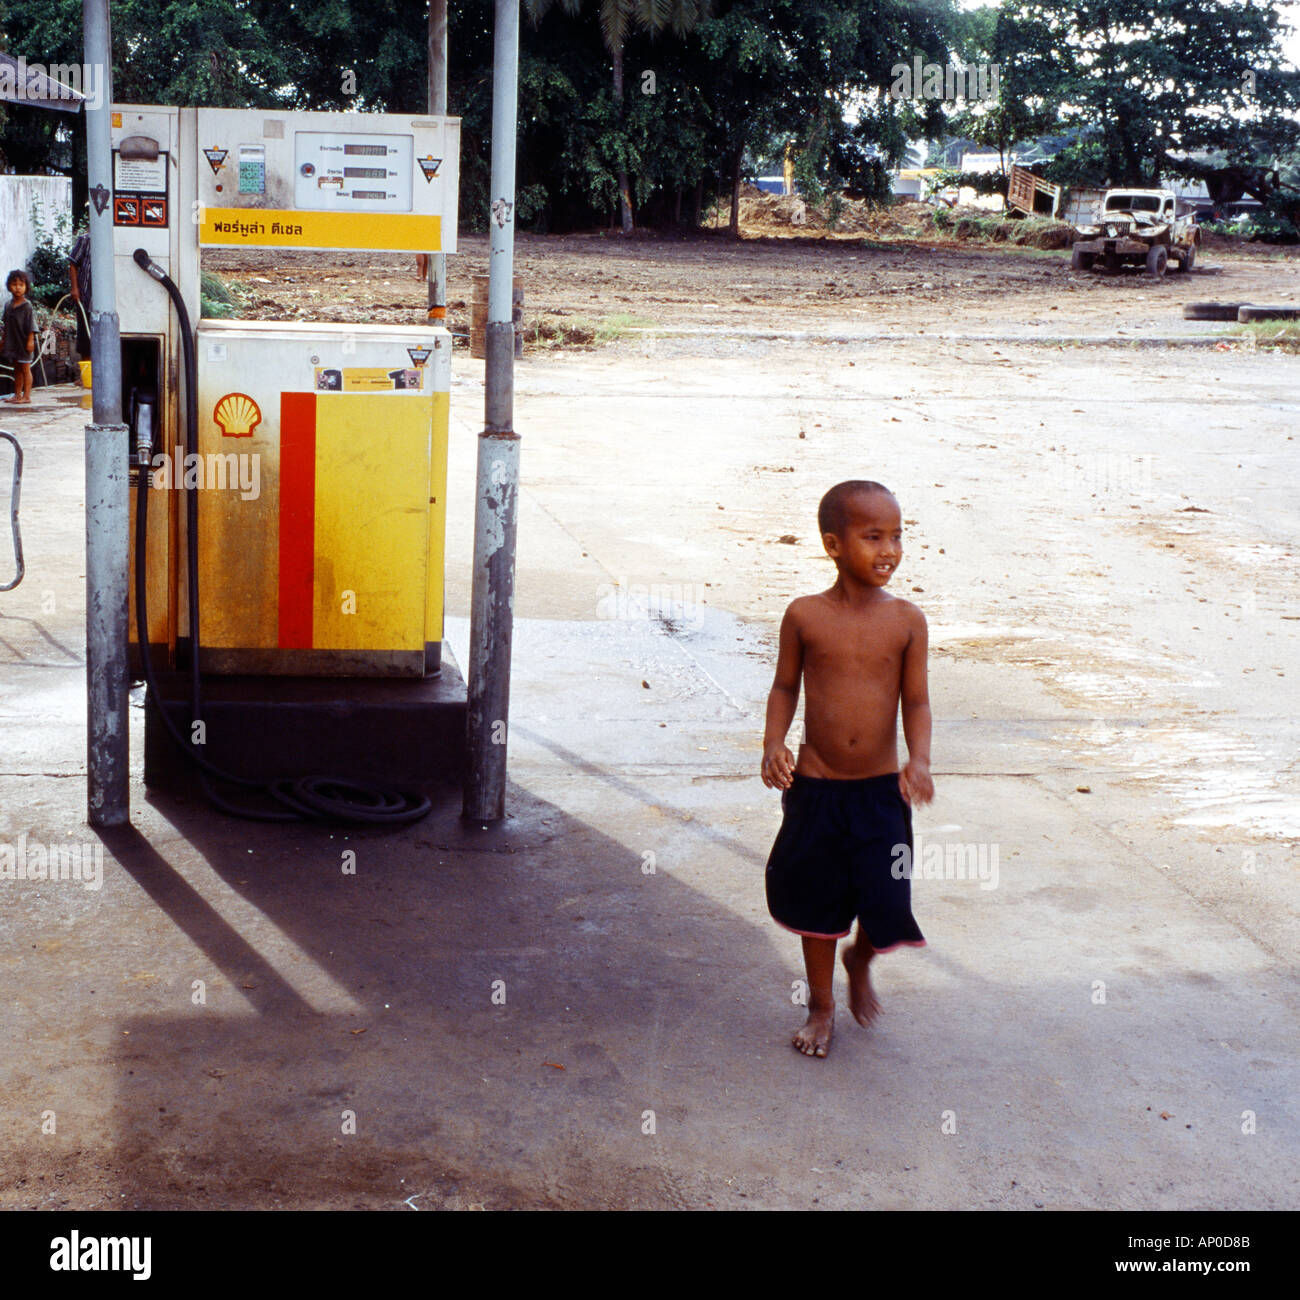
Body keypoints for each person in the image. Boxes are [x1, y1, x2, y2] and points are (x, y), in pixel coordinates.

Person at [761, 479, 933, 1058]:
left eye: (897, 536)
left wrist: (919, 760)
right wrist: (773, 743)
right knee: (816, 903)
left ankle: (859, 958)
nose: (889, 550)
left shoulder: (907, 620)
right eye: (873, 537)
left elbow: (917, 701)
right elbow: (785, 686)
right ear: (833, 545)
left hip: (881, 794)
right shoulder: (804, 616)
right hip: (817, 789)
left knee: (887, 903)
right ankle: (821, 1006)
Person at [2, 269, 37, 405]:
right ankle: (17, 395)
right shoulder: (8, 305)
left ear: (26, 287)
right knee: (17, 370)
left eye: (21, 285)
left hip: (24, 343)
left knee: (26, 370)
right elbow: (6, 325)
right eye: (14, 284)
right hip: (13, 343)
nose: (18, 288)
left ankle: (26, 396)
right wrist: (3, 341)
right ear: (9, 286)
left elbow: (32, 326)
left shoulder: (27, 306)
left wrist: (30, 341)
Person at [69, 230, 93, 362]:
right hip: (85, 300)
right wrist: (74, 288)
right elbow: (73, 263)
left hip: (107, 304)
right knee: (85, 342)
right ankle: (86, 371)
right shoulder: (85, 239)